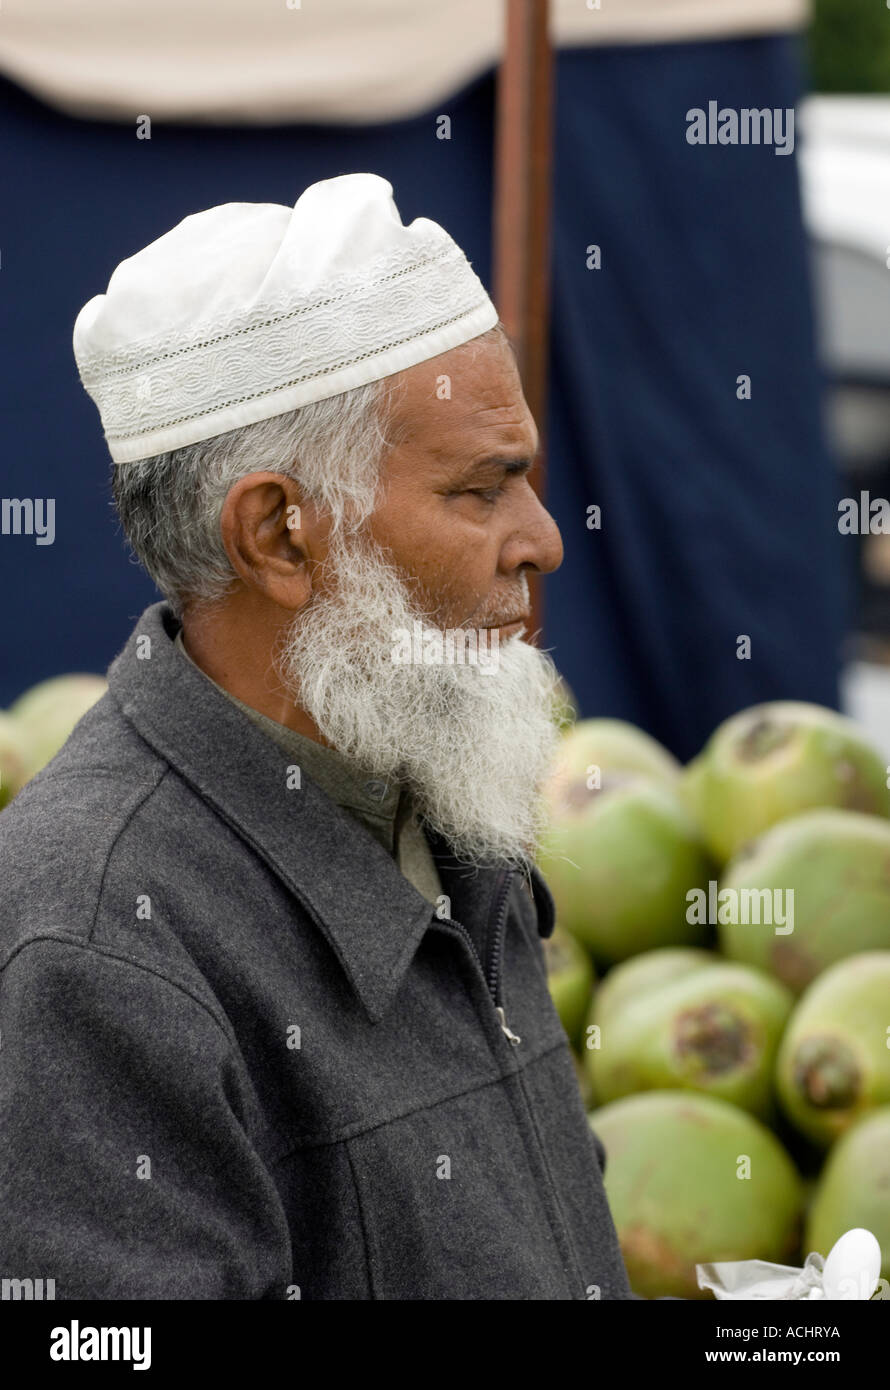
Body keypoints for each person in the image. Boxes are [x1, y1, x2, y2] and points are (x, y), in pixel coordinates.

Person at [0, 173, 645, 1300]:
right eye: (479, 490)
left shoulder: (437, 793)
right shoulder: (97, 949)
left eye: (527, 482)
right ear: (280, 536)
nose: (540, 538)